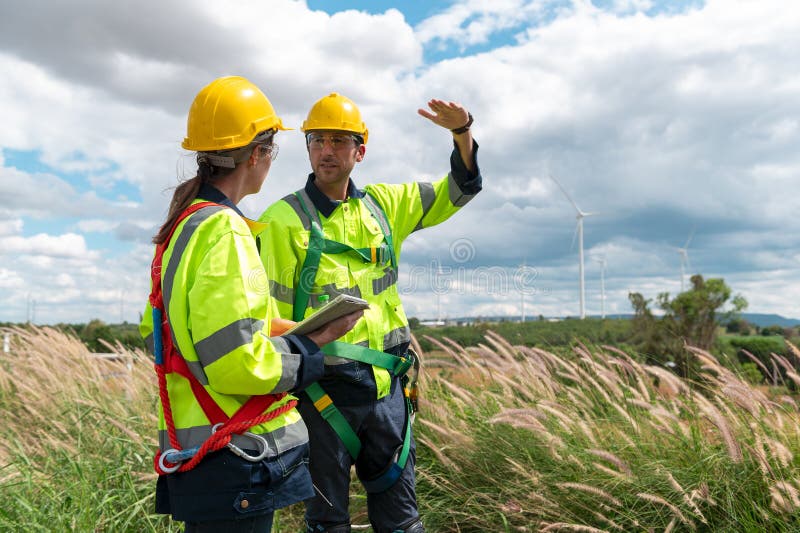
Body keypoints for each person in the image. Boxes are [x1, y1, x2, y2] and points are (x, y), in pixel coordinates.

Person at [139, 76, 362, 532]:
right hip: (236, 456)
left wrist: (272, 329)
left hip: (200, 453)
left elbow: (158, 335)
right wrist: (310, 349)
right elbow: (238, 363)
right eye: (271, 150)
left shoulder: (183, 225)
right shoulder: (226, 230)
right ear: (257, 154)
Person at [257, 93, 482, 533]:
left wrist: (462, 132)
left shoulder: (385, 206)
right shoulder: (280, 220)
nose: (326, 150)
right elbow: (261, 317)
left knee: (402, 522)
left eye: (339, 141)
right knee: (328, 524)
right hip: (322, 397)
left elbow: (459, 188)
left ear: (360, 150)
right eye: (317, 139)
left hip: (389, 396)